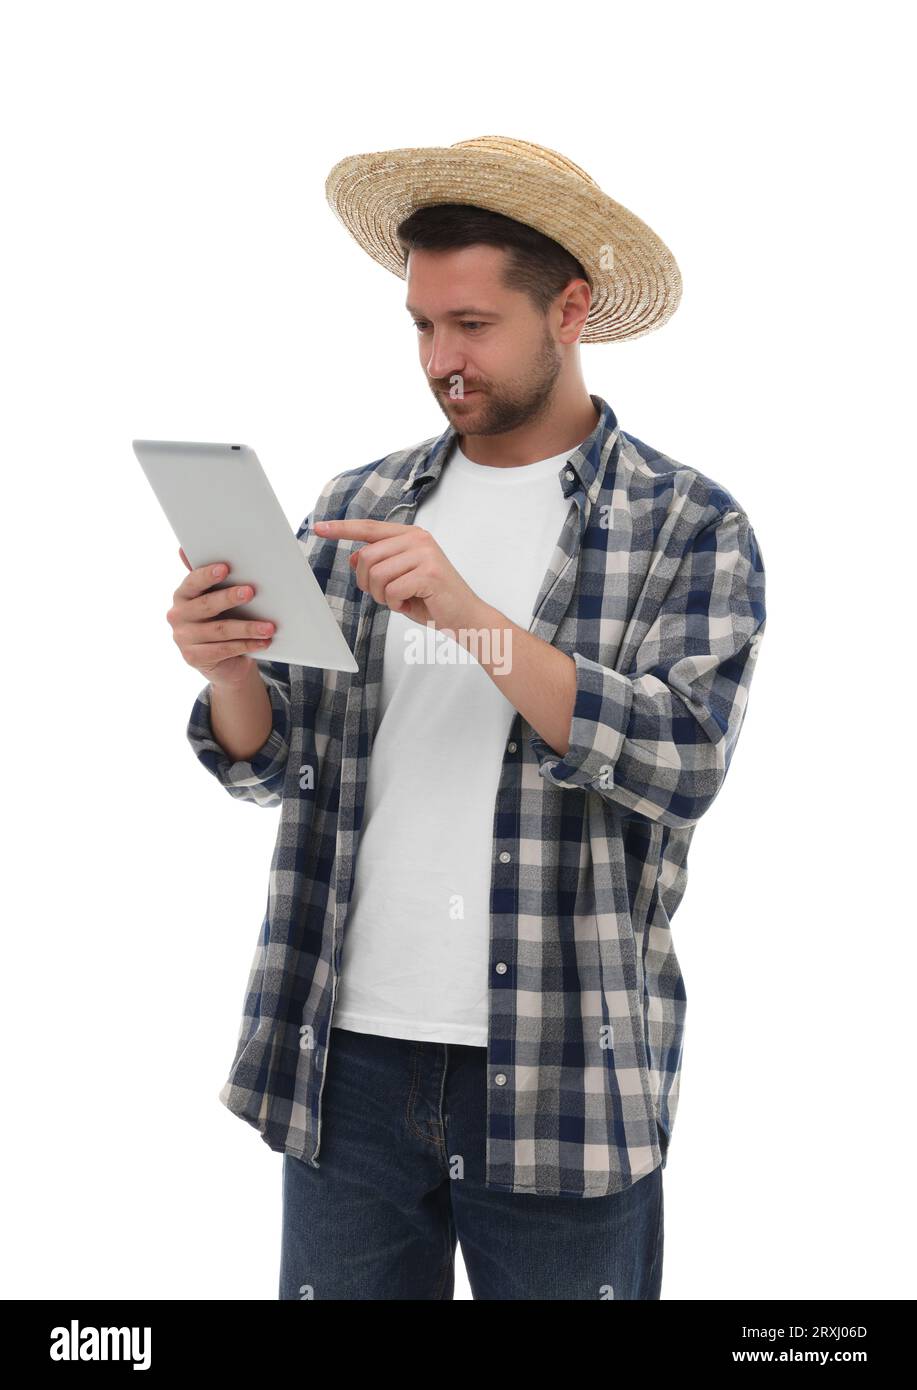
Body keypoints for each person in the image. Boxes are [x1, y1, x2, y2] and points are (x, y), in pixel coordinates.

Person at [168, 136, 767, 1300]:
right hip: (342, 1057)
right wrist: (229, 669)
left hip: (563, 1068)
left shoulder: (687, 524)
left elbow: (679, 760)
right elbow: (274, 764)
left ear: (571, 310)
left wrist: (470, 614)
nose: (442, 358)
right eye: (421, 326)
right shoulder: (358, 505)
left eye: (473, 325)